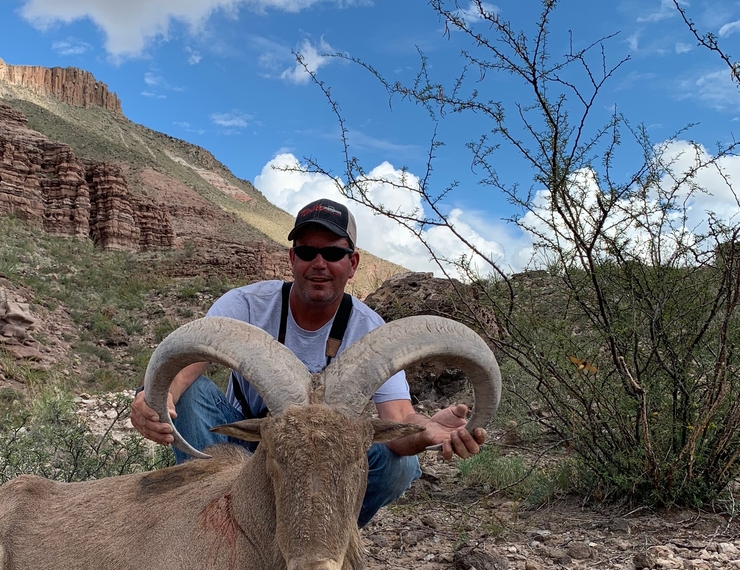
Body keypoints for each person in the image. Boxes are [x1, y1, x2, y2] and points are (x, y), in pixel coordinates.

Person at [130, 198, 486, 526]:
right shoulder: (245, 306)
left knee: (400, 465)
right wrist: (155, 399)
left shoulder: (370, 329)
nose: (319, 263)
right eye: (307, 251)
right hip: (245, 441)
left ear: (352, 263)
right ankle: (212, 535)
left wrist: (429, 432)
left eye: (332, 253)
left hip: (322, 452)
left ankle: (329, 542)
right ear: (292, 259)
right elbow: (183, 368)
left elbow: (400, 421)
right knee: (191, 395)